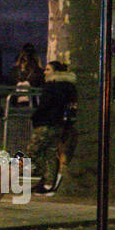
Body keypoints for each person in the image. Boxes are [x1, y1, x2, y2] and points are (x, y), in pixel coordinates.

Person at [28, 60, 78, 195]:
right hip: (59, 124)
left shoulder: (52, 86)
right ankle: (48, 184)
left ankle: (44, 178)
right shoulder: (69, 87)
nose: (45, 72)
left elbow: (45, 105)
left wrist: (35, 118)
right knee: (51, 153)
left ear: (55, 72)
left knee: (33, 151)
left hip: (46, 123)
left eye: (48, 69)